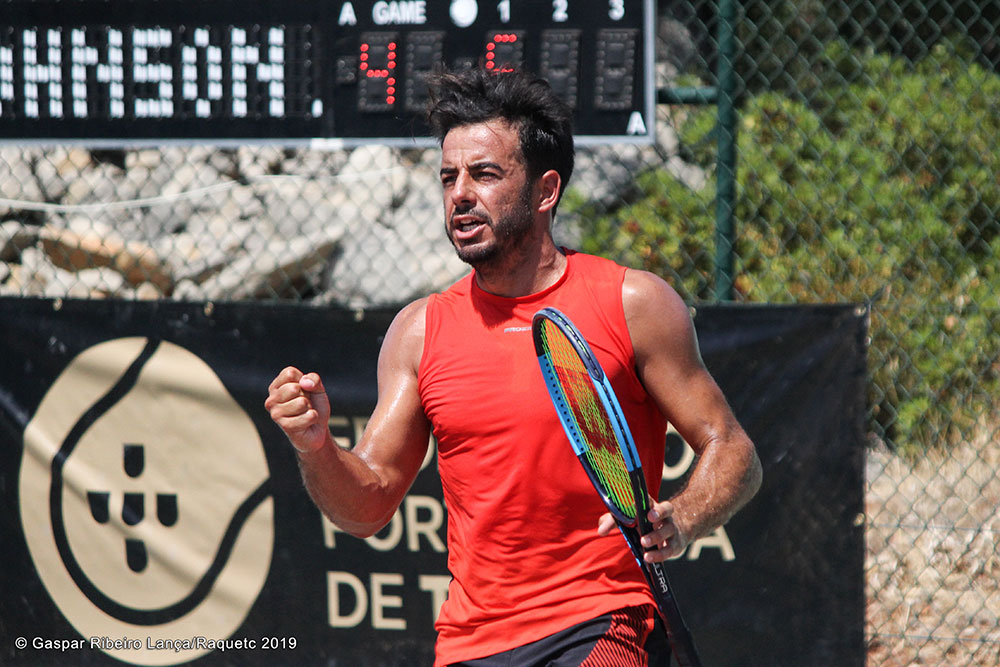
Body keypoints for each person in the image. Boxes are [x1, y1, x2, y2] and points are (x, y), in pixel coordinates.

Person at [265, 67, 762, 666]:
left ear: (545, 190)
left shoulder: (634, 303)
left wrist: (681, 516)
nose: (460, 194)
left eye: (485, 174)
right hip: (470, 643)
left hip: (602, 620)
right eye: (449, 177)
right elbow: (365, 508)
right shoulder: (419, 332)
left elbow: (733, 450)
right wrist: (315, 445)